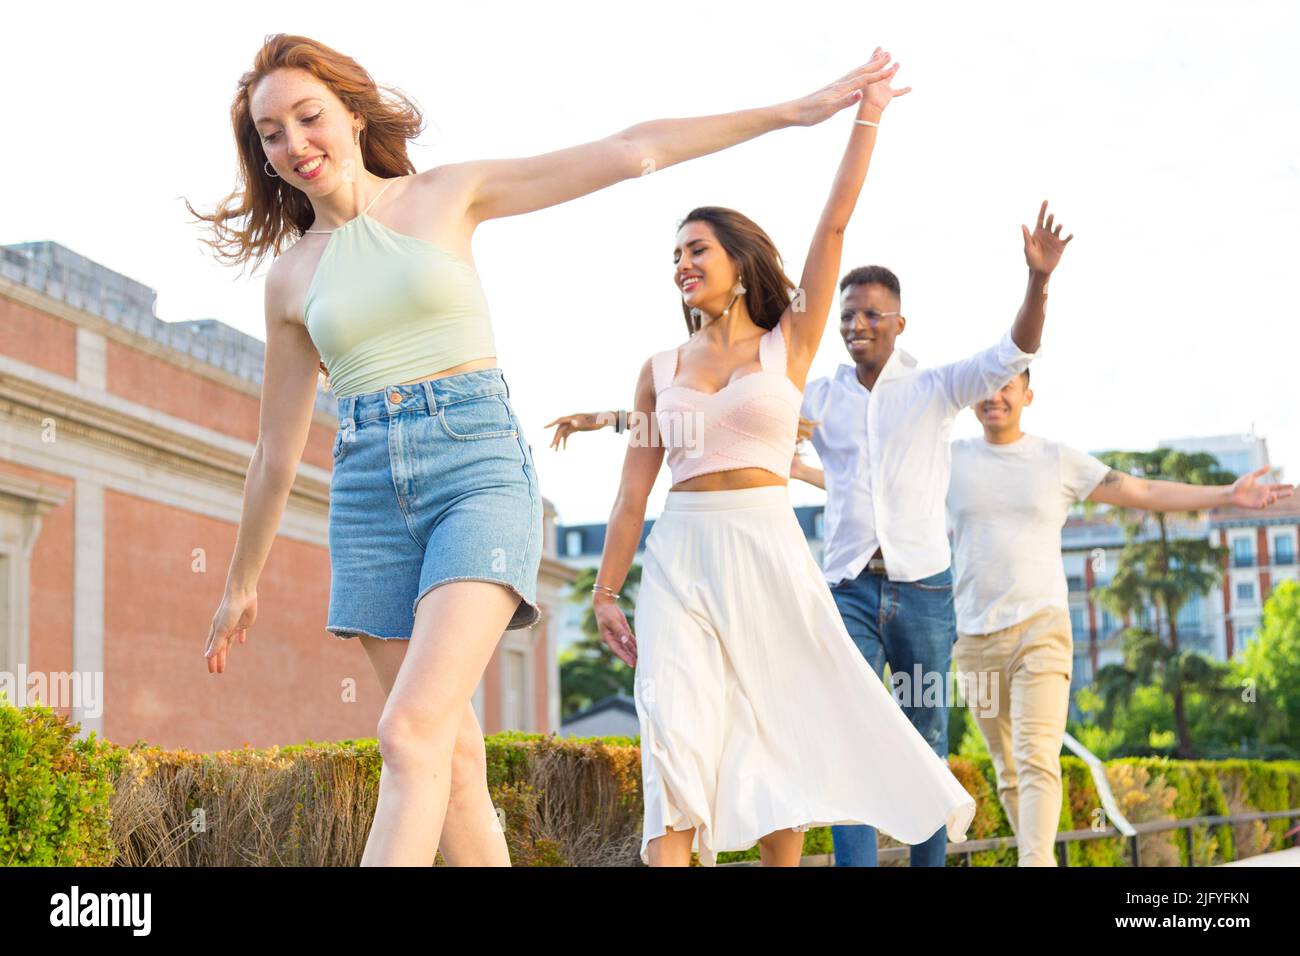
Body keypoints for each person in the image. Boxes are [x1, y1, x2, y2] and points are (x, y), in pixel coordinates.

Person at [193, 32, 895, 867]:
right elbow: (275, 453)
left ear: (350, 112)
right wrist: (240, 584)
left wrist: (792, 112)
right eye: (271, 134)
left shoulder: (446, 196)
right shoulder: (291, 279)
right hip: (367, 499)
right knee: (449, 761)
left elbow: (629, 149)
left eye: (309, 117)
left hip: (476, 471)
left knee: (408, 732)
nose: (295, 145)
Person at [591, 51, 976, 868]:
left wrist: (865, 113)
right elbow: (631, 498)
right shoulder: (657, 370)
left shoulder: (790, 342)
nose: (683, 265)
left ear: (737, 259)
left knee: (782, 738)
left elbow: (834, 223)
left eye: (696, 249)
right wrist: (605, 592)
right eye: (674, 257)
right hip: (679, 555)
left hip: (767, 550)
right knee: (673, 738)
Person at [789, 202, 1068, 865]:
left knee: (923, 738)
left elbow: (1015, 351)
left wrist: (1037, 281)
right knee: (848, 731)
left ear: (898, 323)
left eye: (870, 314)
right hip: (849, 590)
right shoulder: (820, 398)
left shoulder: (935, 389)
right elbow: (751, 418)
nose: (856, 325)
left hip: (924, 594)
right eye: (847, 315)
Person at [946, 368, 1295, 866]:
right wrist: (797, 475)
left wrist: (1225, 494)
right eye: (986, 386)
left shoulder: (1055, 460)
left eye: (1007, 386)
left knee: (1035, 759)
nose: (995, 396)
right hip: (974, 639)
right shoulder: (949, 460)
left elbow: (1141, 492)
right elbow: (885, 490)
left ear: (1027, 394)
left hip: (1040, 631)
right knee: (1006, 770)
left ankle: (1035, 863)